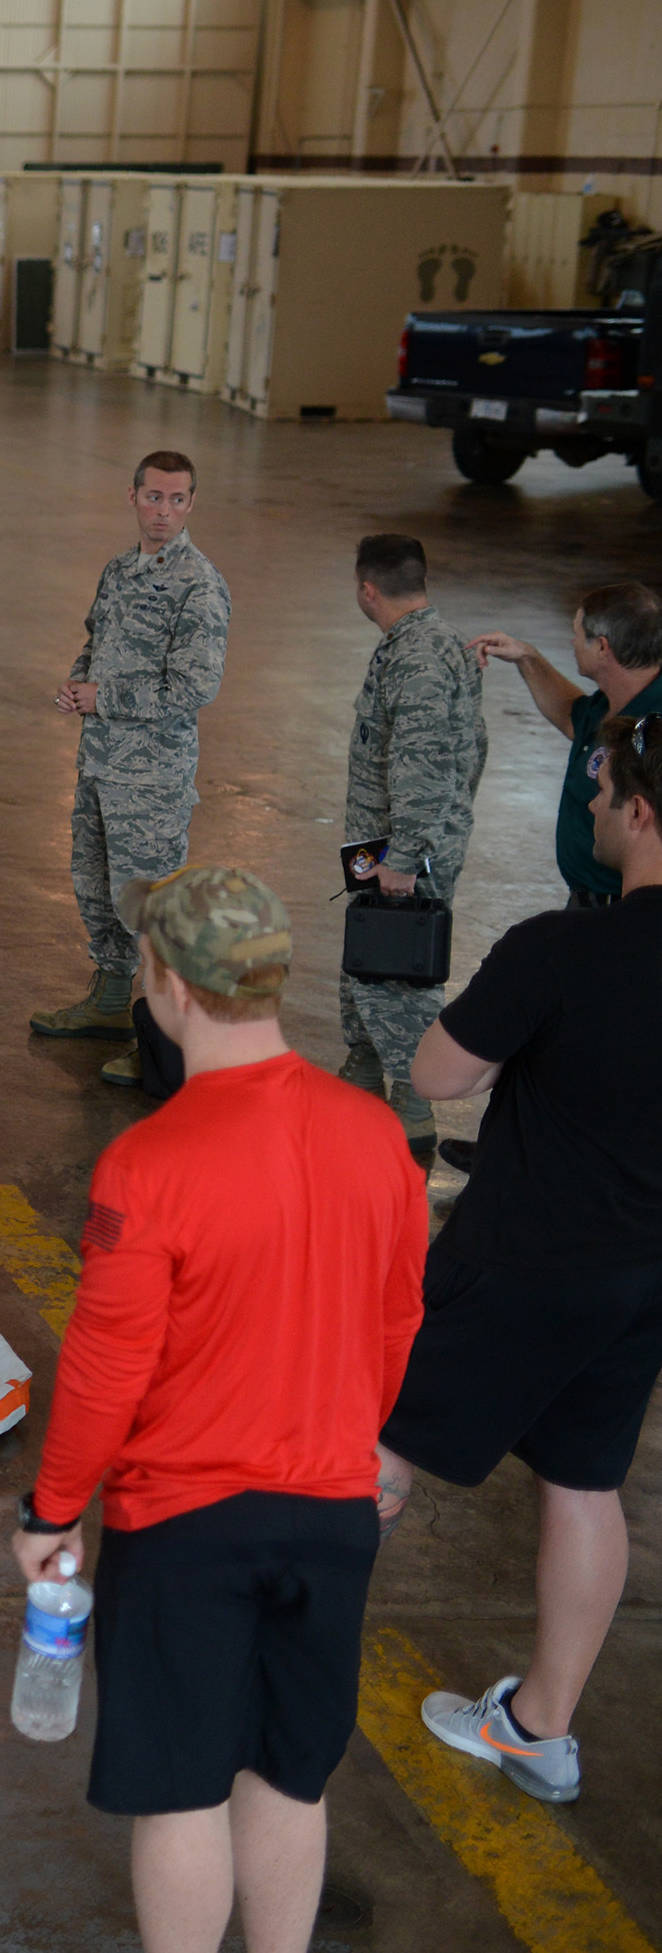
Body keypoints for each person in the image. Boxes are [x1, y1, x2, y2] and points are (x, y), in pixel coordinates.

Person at [15, 865, 423, 1953]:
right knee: (291, 1774)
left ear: (169, 987)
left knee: (185, 1788)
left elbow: (108, 1370)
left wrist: (52, 1510)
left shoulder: (148, 1162)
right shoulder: (376, 1132)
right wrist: (349, 1441)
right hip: (335, 1514)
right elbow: (396, 1320)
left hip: (185, 1524)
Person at [376, 712, 662, 1809]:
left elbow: (439, 1072)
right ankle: (540, 1728)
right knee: (586, 1483)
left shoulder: (563, 945)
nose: (589, 808)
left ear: (640, 813)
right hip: (640, 1278)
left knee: (380, 1445)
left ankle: (262, 1653)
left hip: (519, 1262)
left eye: (602, 794)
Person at [31, 453, 231, 1047]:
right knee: (95, 887)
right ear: (132, 497)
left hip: (151, 777)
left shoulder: (199, 584)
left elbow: (197, 684)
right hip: (100, 764)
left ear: (191, 503)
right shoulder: (119, 571)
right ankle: (113, 999)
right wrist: (75, 684)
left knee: (151, 911)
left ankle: (166, 1043)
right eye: (153, 497)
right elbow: (96, 642)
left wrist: (104, 698)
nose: (162, 511)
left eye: (176, 500)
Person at [329, 534, 486, 1150]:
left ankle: (412, 1107)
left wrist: (405, 855)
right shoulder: (433, 642)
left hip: (402, 847)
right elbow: (471, 748)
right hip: (380, 841)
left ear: (368, 590)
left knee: (400, 969)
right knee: (369, 957)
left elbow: (424, 763)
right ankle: (365, 1068)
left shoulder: (418, 658)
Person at [467, 580, 661, 911]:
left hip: (629, 910)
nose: (571, 642)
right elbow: (573, 717)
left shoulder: (653, 727)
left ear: (602, 647)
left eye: (577, 633)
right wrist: (526, 657)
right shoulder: (609, 704)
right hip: (591, 904)